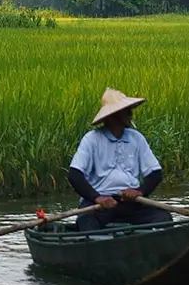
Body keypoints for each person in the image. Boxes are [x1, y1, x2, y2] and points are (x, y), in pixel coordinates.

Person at [67, 87, 171, 230]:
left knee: (163, 217)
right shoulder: (92, 139)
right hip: (98, 204)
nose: (131, 115)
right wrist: (98, 198)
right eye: (127, 111)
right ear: (114, 115)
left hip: (130, 202)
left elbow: (155, 173)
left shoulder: (136, 138)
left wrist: (139, 192)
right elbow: (74, 174)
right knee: (86, 221)